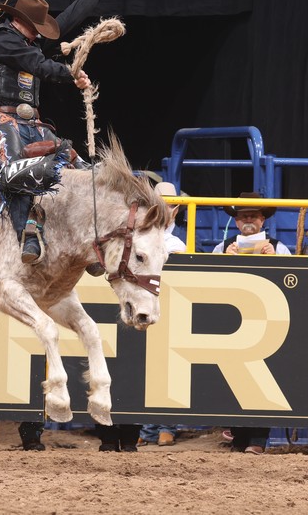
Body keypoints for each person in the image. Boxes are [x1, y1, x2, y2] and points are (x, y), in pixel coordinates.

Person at [0, 0, 123, 264]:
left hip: (33, 124)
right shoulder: (2, 41)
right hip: (5, 123)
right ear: (20, 21)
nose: (40, 33)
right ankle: (26, 236)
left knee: (78, 167)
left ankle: (90, 239)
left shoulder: (25, 40)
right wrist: (70, 75)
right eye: (36, 27)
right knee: (13, 173)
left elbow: (70, 17)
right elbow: (38, 64)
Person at [213, 193, 290, 455]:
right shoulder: (221, 247)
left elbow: (292, 285)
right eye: (244, 216)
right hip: (231, 322)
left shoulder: (279, 248)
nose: (248, 220)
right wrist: (225, 258)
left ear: (262, 220)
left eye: (253, 216)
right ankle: (238, 438)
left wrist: (276, 262)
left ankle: (257, 440)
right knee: (232, 380)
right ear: (236, 221)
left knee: (265, 381)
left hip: (269, 323)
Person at [138, 182, 186, 447]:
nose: (164, 209)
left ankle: (166, 426)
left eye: (169, 204)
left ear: (176, 209)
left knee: (169, 365)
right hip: (146, 303)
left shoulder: (176, 242)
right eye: (159, 203)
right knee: (146, 364)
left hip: (172, 306)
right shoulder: (141, 235)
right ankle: (147, 429)